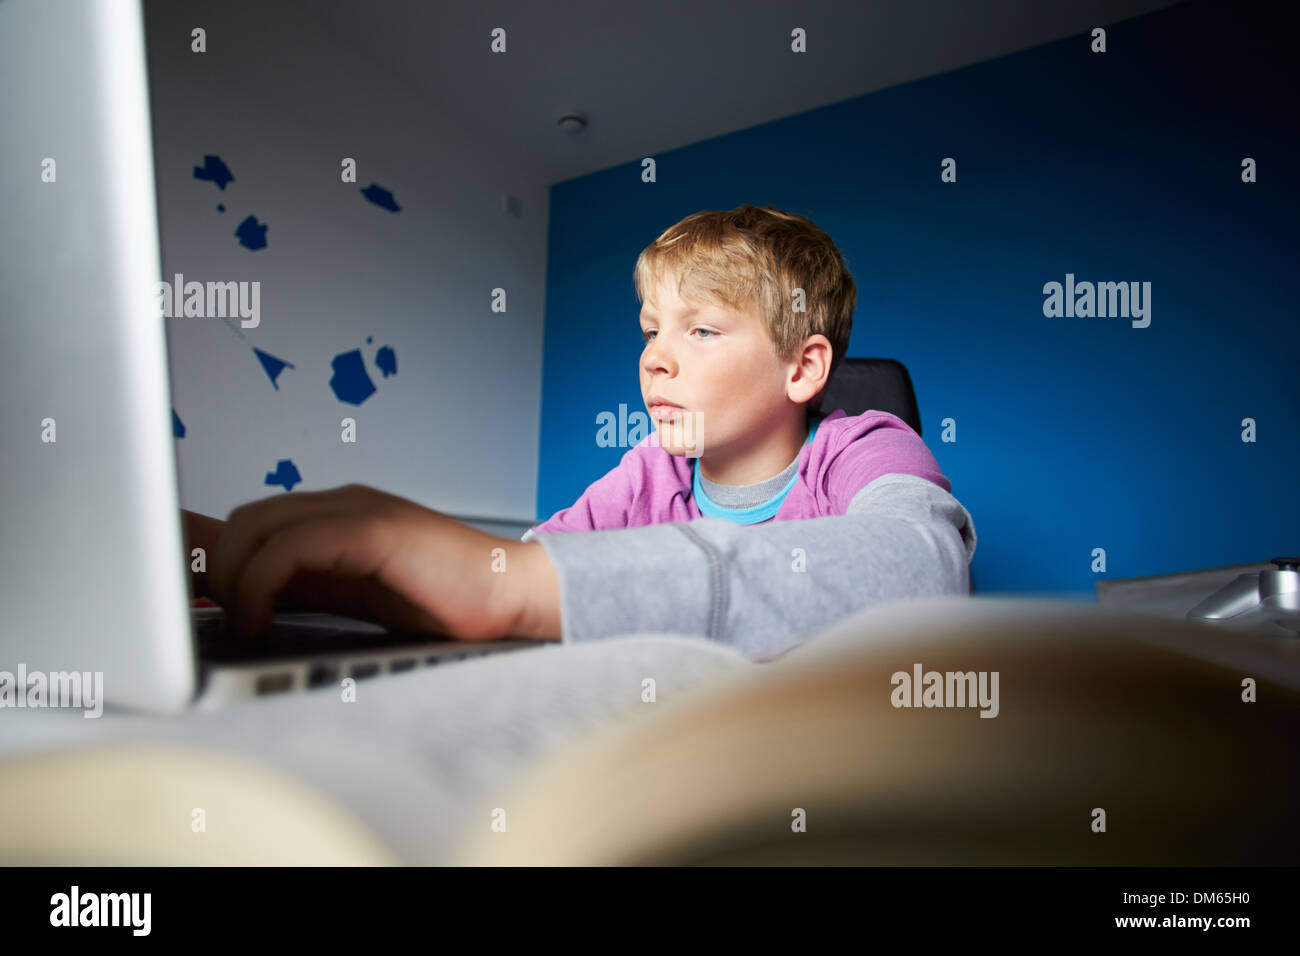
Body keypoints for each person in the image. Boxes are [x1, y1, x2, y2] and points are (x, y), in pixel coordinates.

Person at [185, 205, 976, 661]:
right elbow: (520, 575)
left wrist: (510, 587)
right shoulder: (648, 474)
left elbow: (927, 572)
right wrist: (274, 568)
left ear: (803, 369)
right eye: (649, 331)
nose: (655, 361)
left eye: (699, 332)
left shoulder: (864, 445)